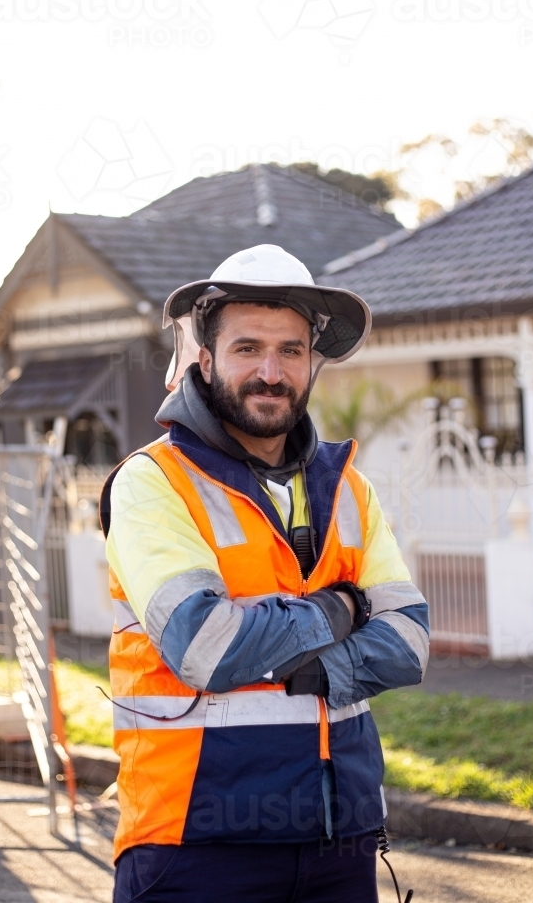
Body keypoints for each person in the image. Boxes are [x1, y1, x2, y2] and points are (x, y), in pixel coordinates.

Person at [100, 244, 429, 903]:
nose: (270, 372)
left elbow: (409, 642)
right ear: (204, 359)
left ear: (312, 362)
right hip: (194, 845)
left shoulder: (348, 490)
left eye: (290, 351)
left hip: (341, 838)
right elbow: (205, 646)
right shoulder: (154, 483)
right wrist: (340, 611)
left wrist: (313, 669)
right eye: (246, 348)